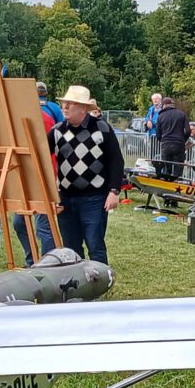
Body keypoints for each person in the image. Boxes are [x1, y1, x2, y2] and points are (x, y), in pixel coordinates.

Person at [49, 85, 123, 263]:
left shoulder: (102, 128)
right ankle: (76, 279)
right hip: (65, 198)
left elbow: (116, 160)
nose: (65, 107)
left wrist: (114, 191)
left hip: (94, 198)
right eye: (64, 103)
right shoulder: (57, 131)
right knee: (70, 248)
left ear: (83, 108)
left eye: (71, 103)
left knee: (95, 245)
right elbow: (40, 158)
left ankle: (100, 278)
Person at [153, 96, 192, 179]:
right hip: (179, 144)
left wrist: (163, 140)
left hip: (166, 144)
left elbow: (158, 134)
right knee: (178, 168)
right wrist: (183, 140)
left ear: (164, 105)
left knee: (166, 168)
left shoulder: (161, 116)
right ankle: (177, 182)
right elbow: (188, 131)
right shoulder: (181, 114)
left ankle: (167, 182)